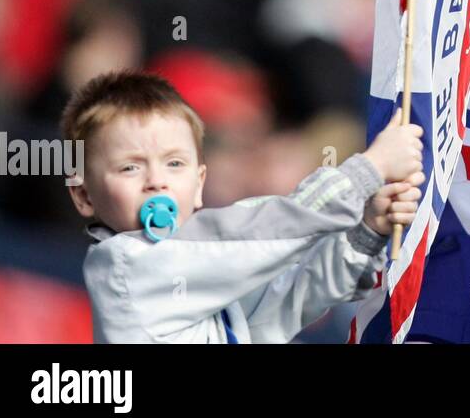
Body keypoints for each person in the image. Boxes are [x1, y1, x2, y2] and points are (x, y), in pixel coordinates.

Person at [62, 70, 423, 343]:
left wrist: (366, 232)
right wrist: (369, 169)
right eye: (130, 167)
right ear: (84, 196)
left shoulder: (206, 281)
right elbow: (265, 228)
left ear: (199, 183)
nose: (157, 181)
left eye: (174, 163)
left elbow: (292, 299)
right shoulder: (128, 262)